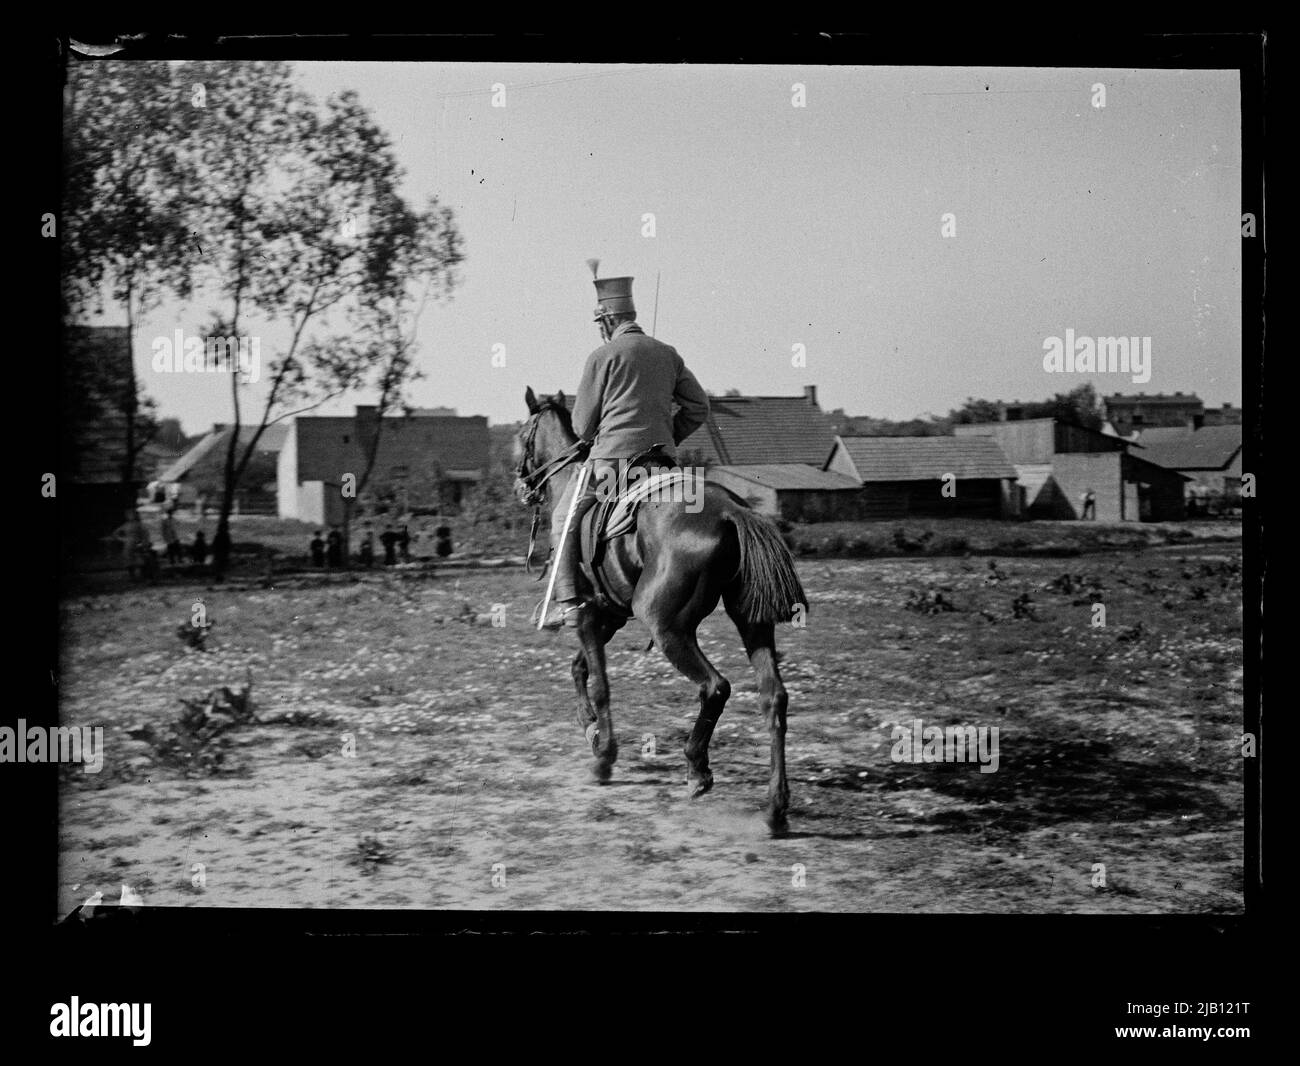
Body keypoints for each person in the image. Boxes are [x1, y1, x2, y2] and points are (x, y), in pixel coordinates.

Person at [538, 268, 710, 629]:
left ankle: (567, 603)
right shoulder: (668, 354)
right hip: (663, 466)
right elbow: (699, 407)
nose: (600, 329)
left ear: (608, 319)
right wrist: (670, 435)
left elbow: (582, 428)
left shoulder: (601, 356)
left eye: (600, 322)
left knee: (563, 518)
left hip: (611, 467)